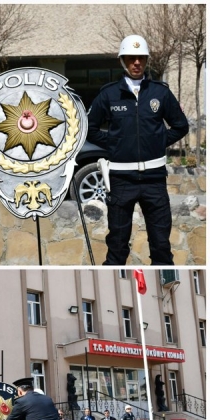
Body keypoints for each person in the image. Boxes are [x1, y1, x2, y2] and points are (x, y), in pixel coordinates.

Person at [87, 36, 189, 266]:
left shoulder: (160, 93)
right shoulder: (109, 94)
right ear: (122, 61)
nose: (136, 63)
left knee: (161, 246)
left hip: (154, 180)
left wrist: (158, 140)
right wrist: (114, 142)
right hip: (121, 181)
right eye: (131, 58)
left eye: (140, 58)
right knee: (117, 247)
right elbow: (89, 128)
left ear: (146, 60)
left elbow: (181, 126)